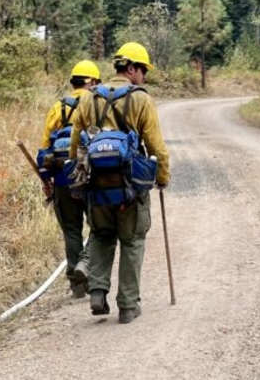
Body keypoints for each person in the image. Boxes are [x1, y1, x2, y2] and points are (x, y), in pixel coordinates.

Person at [69, 42, 170, 324]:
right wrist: (161, 177)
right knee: (132, 240)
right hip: (130, 185)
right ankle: (127, 306)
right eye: (143, 70)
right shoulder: (141, 99)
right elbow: (156, 147)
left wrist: (78, 180)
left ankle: (98, 293)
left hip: (96, 184)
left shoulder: (89, 98)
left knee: (101, 235)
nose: (145, 76)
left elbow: (76, 143)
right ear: (131, 68)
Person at [39, 59, 101, 298]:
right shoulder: (97, 105)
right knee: (100, 228)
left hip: (63, 180)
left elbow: (45, 148)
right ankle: (92, 275)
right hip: (91, 178)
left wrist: (46, 180)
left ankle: (77, 284)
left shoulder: (59, 107)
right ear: (92, 82)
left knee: (72, 231)